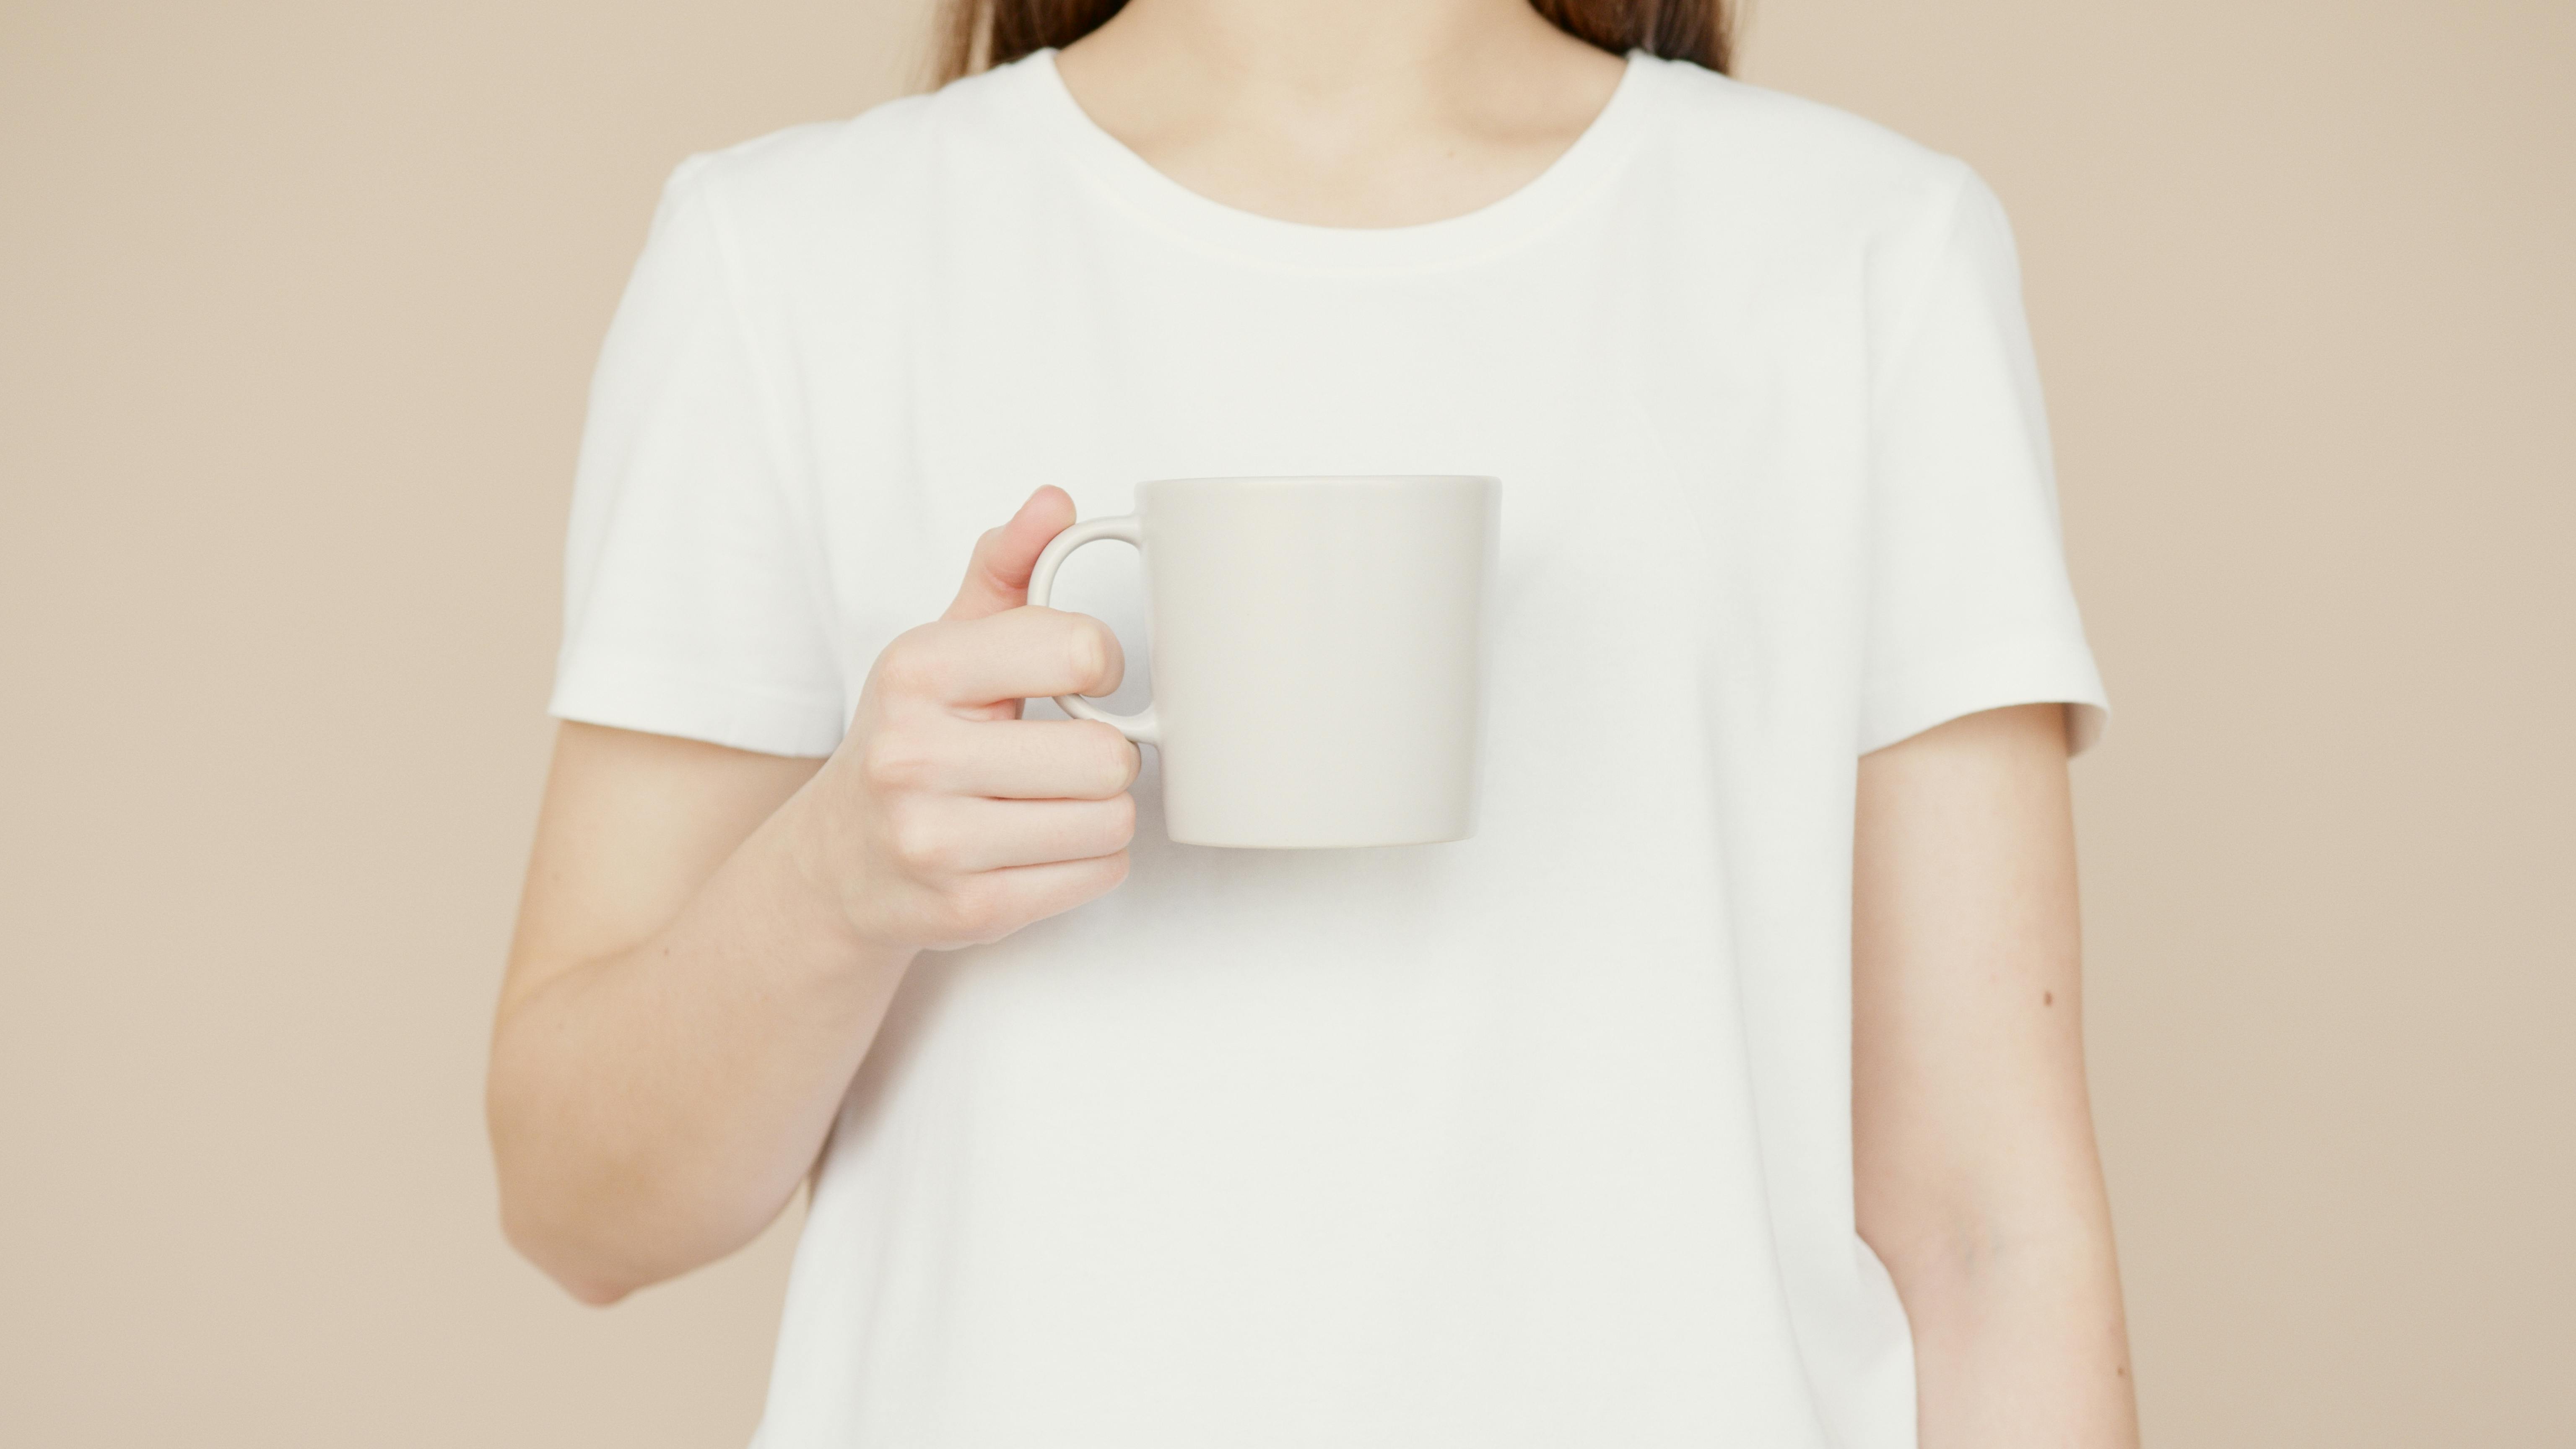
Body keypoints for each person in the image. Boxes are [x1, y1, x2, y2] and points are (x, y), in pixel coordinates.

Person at [487, 0, 2140, 1444]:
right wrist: (838, 877)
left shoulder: (1861, 248)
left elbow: (1995, 1236)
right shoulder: (790, 258)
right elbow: (578, 1208)